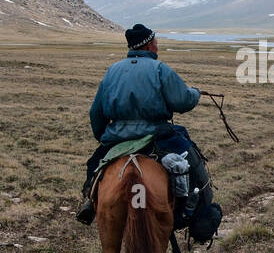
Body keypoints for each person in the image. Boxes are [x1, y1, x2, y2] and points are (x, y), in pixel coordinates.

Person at [76, 23, 212, 225]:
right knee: (191, 159)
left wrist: (105, 139)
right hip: (156, 134)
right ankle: (199, 209)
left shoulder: (113, 71)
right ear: (148, 45)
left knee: (94, 166)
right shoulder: (159, 69)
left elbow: (96, 112)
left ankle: (89, 200)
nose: (157, 45)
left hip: (117, 137)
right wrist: (195, 92)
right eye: (155, 41)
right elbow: (182, 101)